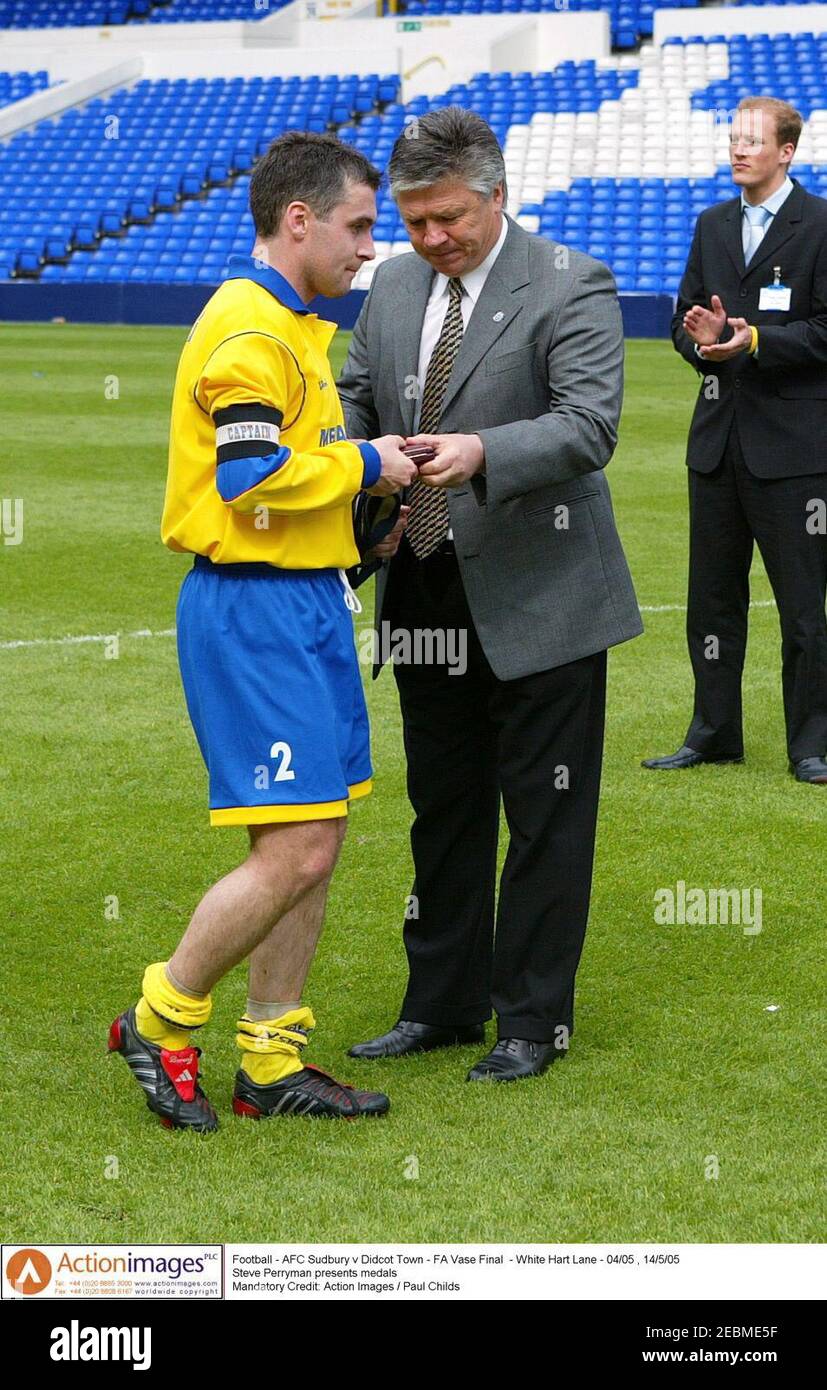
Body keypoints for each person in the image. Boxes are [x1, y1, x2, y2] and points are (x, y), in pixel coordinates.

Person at [109, 132, 416, 1131]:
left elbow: (295, 482)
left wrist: (365, 525)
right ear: (299, 219)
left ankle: (270, 1055)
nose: (370, 246)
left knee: (315, 839)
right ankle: (160, 1018)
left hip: (303, 600)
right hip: (250, 610)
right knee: (292, 851)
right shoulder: (250, 329)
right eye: (359, 225)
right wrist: (368, 465)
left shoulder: (296, 328)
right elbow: (246, 478)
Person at [338, 107, 642, 1083]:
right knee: (445, 805)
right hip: (422, 587)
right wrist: (346, 456)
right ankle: (440, 1005)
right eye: (413, 220)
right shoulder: (387, 282)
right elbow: (358, 391)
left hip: (541, 592)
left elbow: (588, 424)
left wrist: (482, 452)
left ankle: (530, 1020)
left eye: (448, 219)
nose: (429, 239)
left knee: (545, 812)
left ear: (496, 195)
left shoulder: (569, 282)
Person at [643, 96, 827, 784]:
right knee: (710, 603)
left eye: (752, 140)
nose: (737, 149)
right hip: (717, 445)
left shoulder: (820, 225)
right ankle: (713, 731)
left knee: (803, 609)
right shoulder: (711, 224)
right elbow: (680, 322)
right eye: (733, 138)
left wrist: (755, 342)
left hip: (794, 452)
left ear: (785, 151)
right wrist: (706, 345)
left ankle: (811, 744)